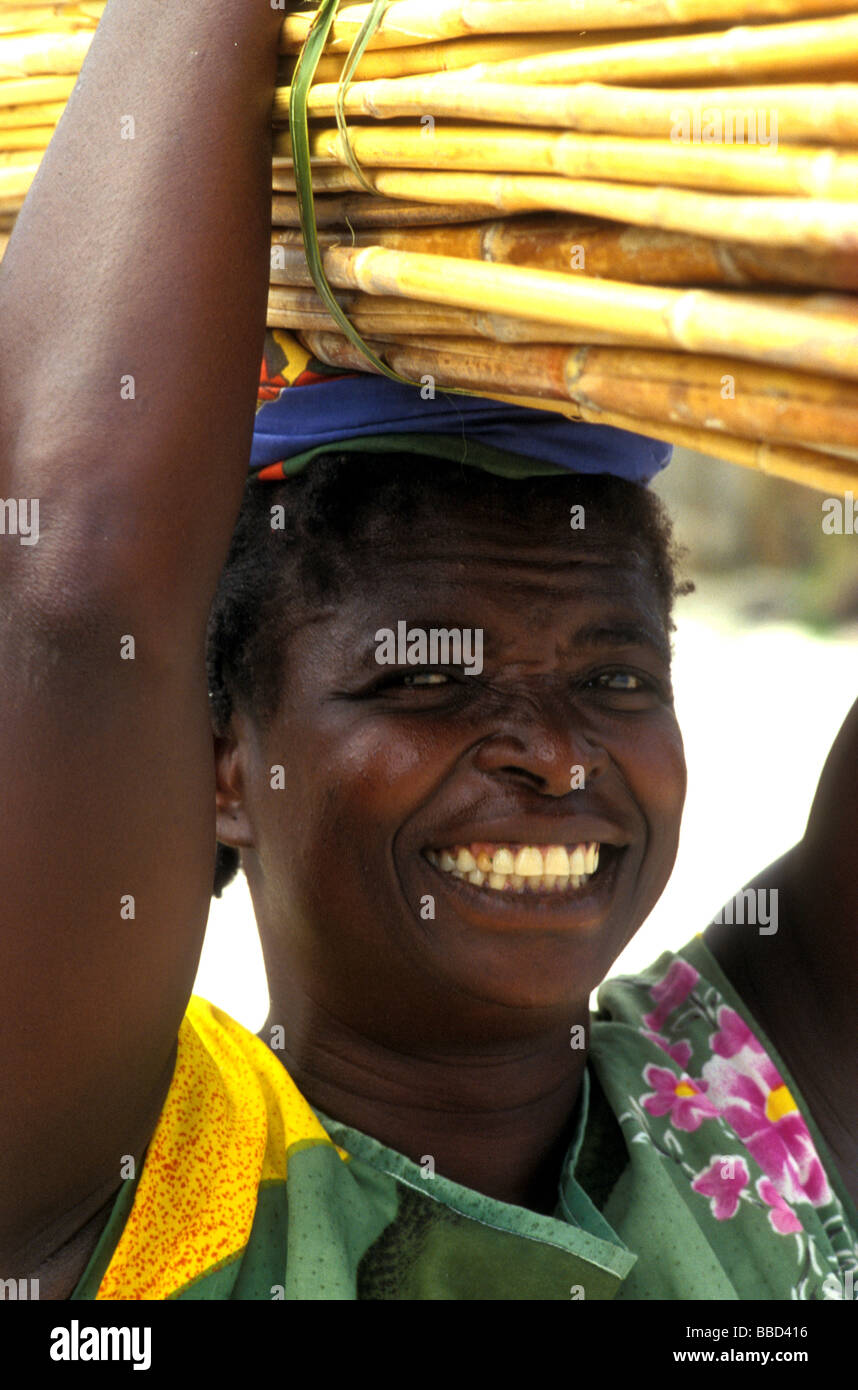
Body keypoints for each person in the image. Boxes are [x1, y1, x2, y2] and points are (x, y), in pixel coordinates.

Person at [0, 0, 855, 1302]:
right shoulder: (100, 1174)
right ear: (220, 757)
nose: (558, 752)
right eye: (428, 676)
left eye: (614, 676)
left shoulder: (776, 1084)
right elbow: (73, 587)